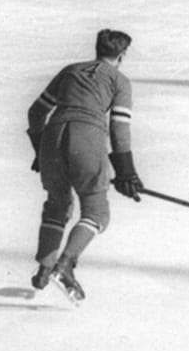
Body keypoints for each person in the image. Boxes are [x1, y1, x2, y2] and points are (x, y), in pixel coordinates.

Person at [25, 29, 141, 303]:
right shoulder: (119, 81)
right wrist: (126, 172)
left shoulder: (70, 71)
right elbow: (118, 128)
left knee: (57, 202)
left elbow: (36, 112)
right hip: (87, 137)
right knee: (97, 211)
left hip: (53, 137)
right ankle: (65, 264)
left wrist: (40, 151)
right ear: (122, 56)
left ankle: (44, 268)